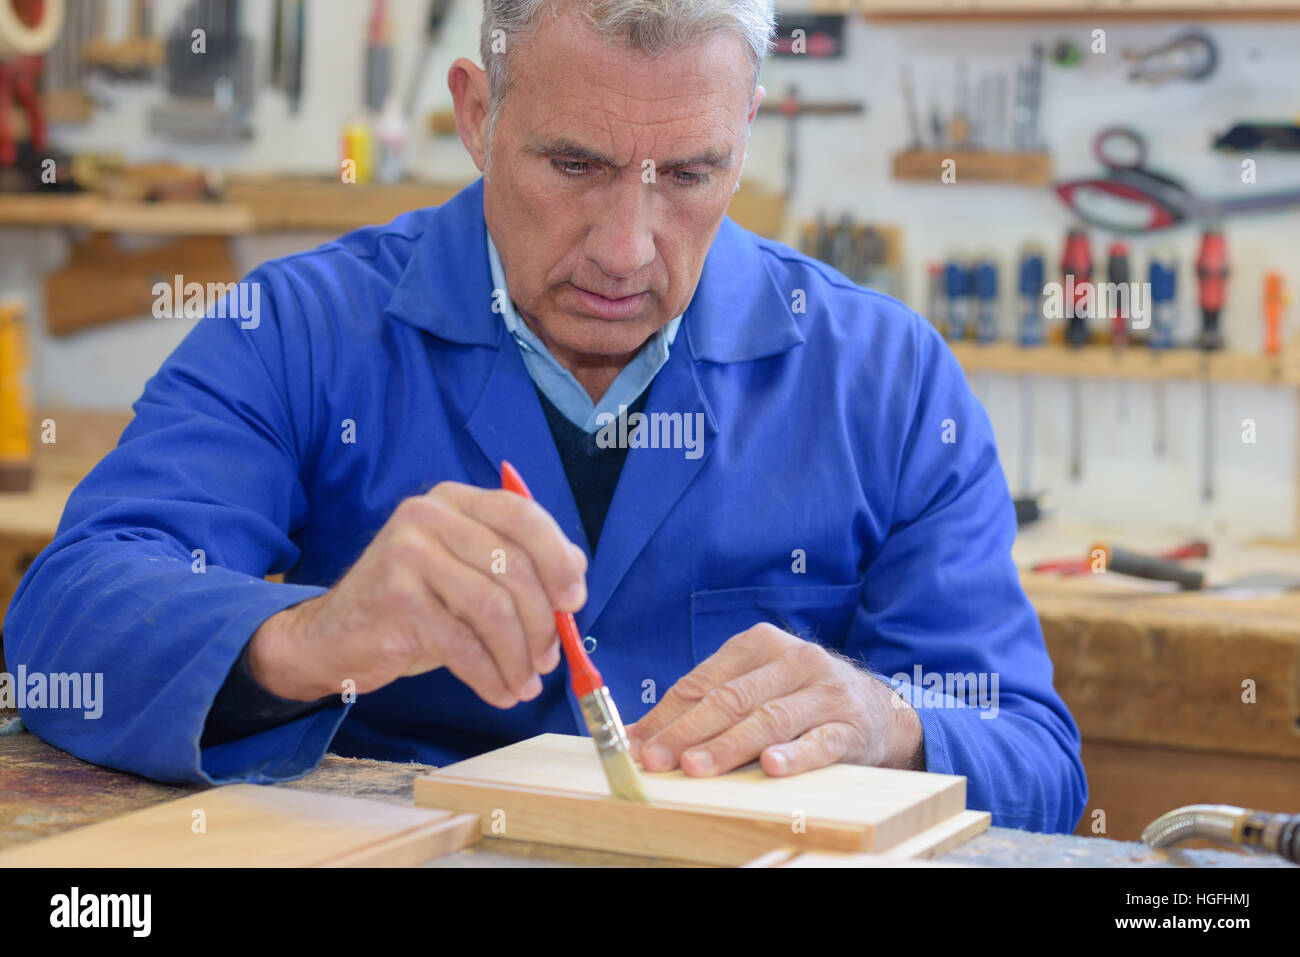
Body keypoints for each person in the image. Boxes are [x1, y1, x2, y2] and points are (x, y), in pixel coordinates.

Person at [6, 0, 1086, 833]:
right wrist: (302, 641)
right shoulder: (297, 329)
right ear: (478, 115)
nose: (625, 247)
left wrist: (885, 719)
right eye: (575, 166)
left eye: (691, 173)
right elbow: (64, 628)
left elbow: (1034, 760)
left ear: (748, 130)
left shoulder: (885, 380)